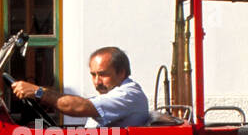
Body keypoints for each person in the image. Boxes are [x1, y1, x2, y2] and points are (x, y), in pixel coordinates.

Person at [12, 46, 149, 127]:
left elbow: (79, 107)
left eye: (102, 74)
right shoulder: (113, 95)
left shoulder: (128, 95)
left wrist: (39, 92)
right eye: (93, 75)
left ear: (121, 72)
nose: (97, 81)